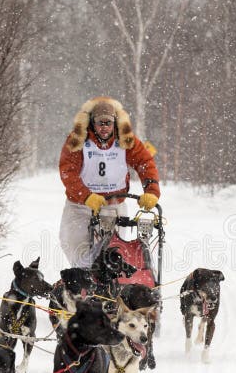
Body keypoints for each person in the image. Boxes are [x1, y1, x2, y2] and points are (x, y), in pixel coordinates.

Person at [58, 96, 161, 268]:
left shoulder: (126, 140)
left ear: (115, 122)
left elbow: (145, 163)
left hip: (113, 205)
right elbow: (68, 172)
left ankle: (110, 290)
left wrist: (151, 191)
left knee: (112, 255)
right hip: (80, 207)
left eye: (108, 123)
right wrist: (86, 196)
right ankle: (83, 284)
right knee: (76, 249)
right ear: (92, 123)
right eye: (100, 123)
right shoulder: (78, 141)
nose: (104, 128)